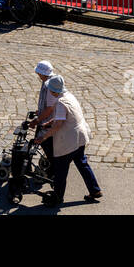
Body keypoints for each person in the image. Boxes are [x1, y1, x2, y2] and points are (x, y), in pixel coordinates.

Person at [34, 75, 101, 206]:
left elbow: (59, 125)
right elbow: (62, 117)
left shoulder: (59, 103)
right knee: (82, 163)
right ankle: (95, 190)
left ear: (53, 91)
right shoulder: (69, 96)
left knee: (60, 170)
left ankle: (58, 198)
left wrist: (44, 136)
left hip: (69, 141)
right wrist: (49, 122)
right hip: (80, 137)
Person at [28, 60, 60, 162]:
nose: (37, 74)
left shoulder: (49, 85)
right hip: (47, 118)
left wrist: (37, 120)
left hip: (48, 122)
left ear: (41, 73)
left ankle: (52, 168)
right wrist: (40, 111)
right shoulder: (47, 81)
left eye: (38, 73)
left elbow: (50, 108)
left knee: (46, 143)